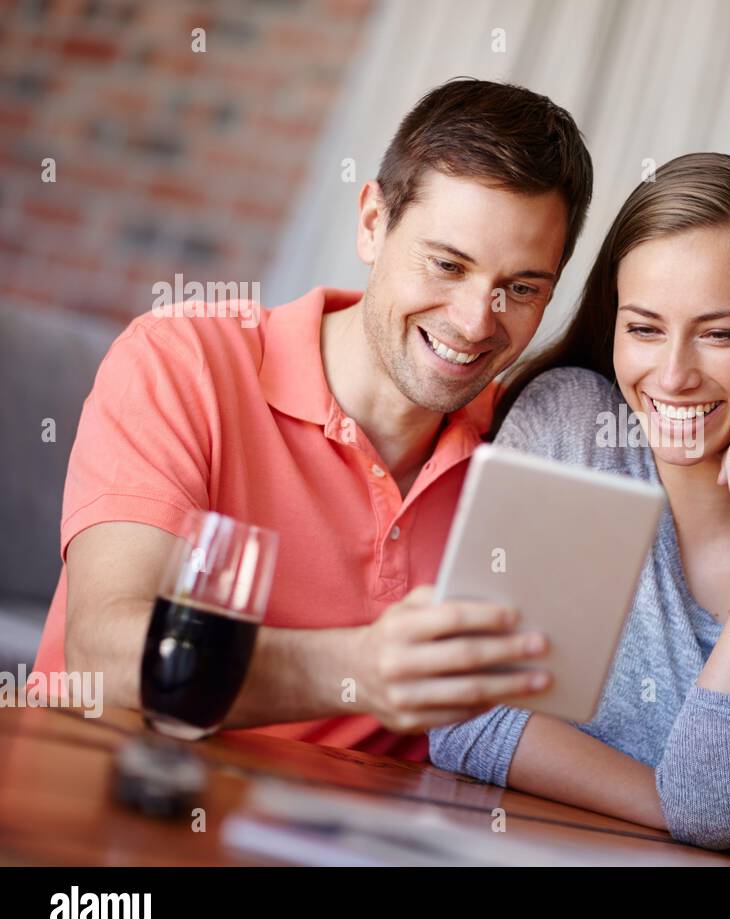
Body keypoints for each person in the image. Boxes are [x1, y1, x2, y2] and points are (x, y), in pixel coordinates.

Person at [29, 78, 594, 759]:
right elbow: (106, 654)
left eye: (521, 289)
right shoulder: (183, 362)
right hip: (111, 805)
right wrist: (360, 669)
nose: (477, 323)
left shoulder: (525, 443)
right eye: (447, 264)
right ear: (371, 224)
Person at [427, 152, 730, 853]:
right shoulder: (572, 426)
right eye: (644, 328)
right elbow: (464, 718)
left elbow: (721, 804)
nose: (674, 375)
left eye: (720, 333)